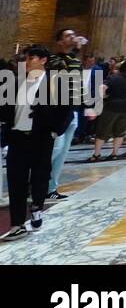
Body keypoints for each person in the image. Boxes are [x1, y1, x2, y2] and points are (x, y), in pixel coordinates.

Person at [1, 46, 73, 243]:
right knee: (16, 180)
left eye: (30, 58)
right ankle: (17, 225)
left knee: (40, 176)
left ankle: (37, 207)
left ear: (43, 60)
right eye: (24, 58)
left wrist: (55, 131)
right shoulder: (14, 82)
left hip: (41, 137)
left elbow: (66, 111)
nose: (26, 62)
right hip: (17, 137)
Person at [45, 29, 85, 202]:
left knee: (62, 154)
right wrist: (75, 49)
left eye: (73, 35)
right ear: (59, 42)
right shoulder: (54, 59)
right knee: (55, 149)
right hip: (58, 111)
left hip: (72, 109)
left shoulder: (74, 60)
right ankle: (35, 182)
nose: (73, 37)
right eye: (68, 36)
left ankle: (51, 188)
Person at [92, 60, 126, 161]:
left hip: (112, 106)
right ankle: (114, 153)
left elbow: (102, 87)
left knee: (103, 130)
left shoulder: (114, 78)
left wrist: (102, 98)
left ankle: (96, 154)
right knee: (120, 132)